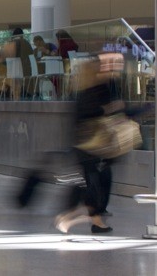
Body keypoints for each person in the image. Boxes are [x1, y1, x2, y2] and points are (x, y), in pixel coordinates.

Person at [55, 58, 123, 234]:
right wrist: (108, 110)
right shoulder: (89, 93)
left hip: (88, 148)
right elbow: (90, 115)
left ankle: (91, 221)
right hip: (90, 148)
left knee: (96, 186)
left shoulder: (88, 91)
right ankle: (70, 219)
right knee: (96, 187)